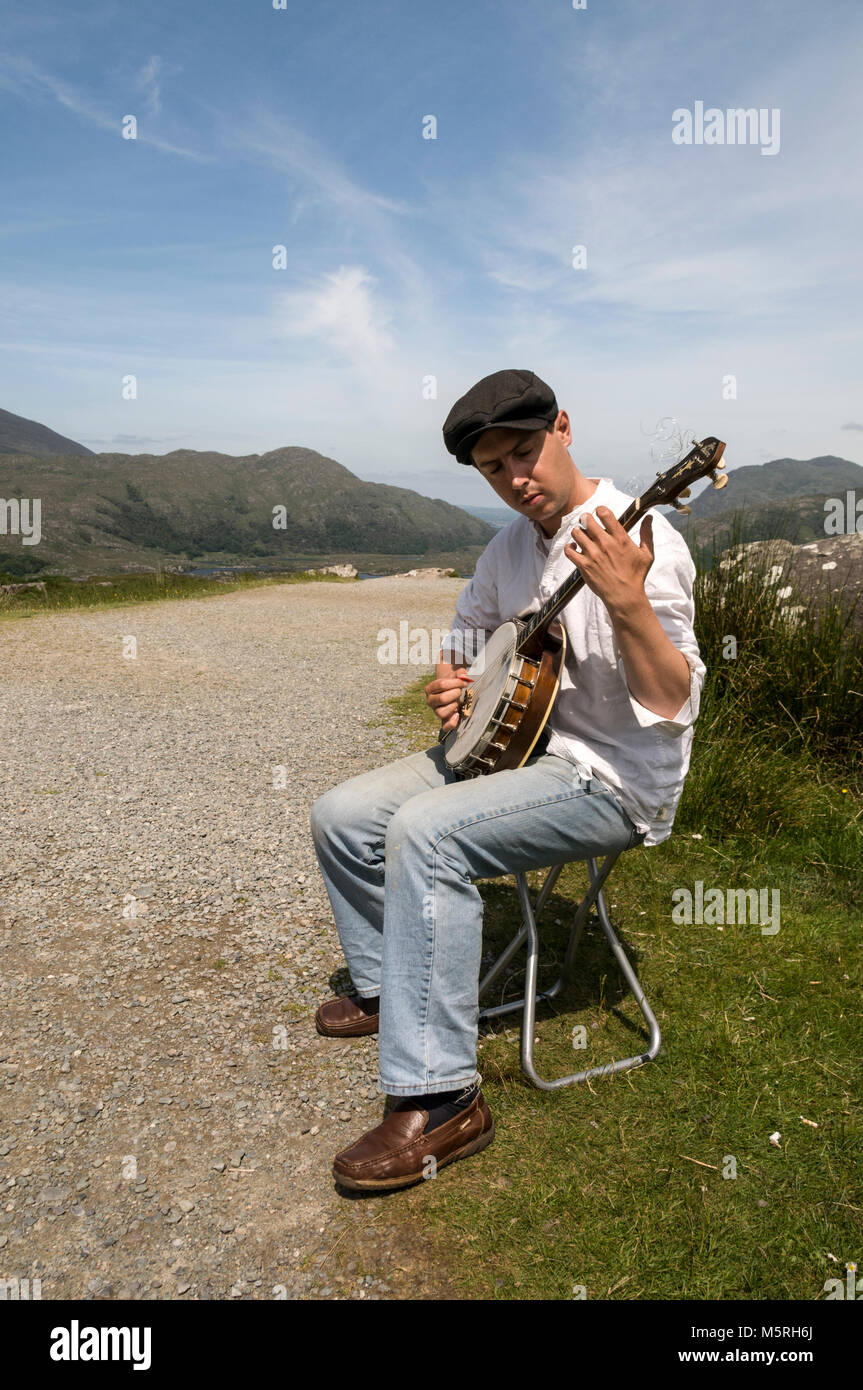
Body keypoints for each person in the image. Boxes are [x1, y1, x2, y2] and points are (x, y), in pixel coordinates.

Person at [309, 368, 706, 1192]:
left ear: (563, 428)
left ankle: (442, 1099)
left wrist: (628, 603)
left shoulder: (645, 539)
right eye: (494, 468)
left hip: (610, 778)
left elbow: (673, 705)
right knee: (340, 814)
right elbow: (465, 638)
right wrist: (451, 684)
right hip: (518, 752)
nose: (516, 479)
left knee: (427, 833)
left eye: (525, 452)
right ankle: (390, 990)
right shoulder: (508, 548)